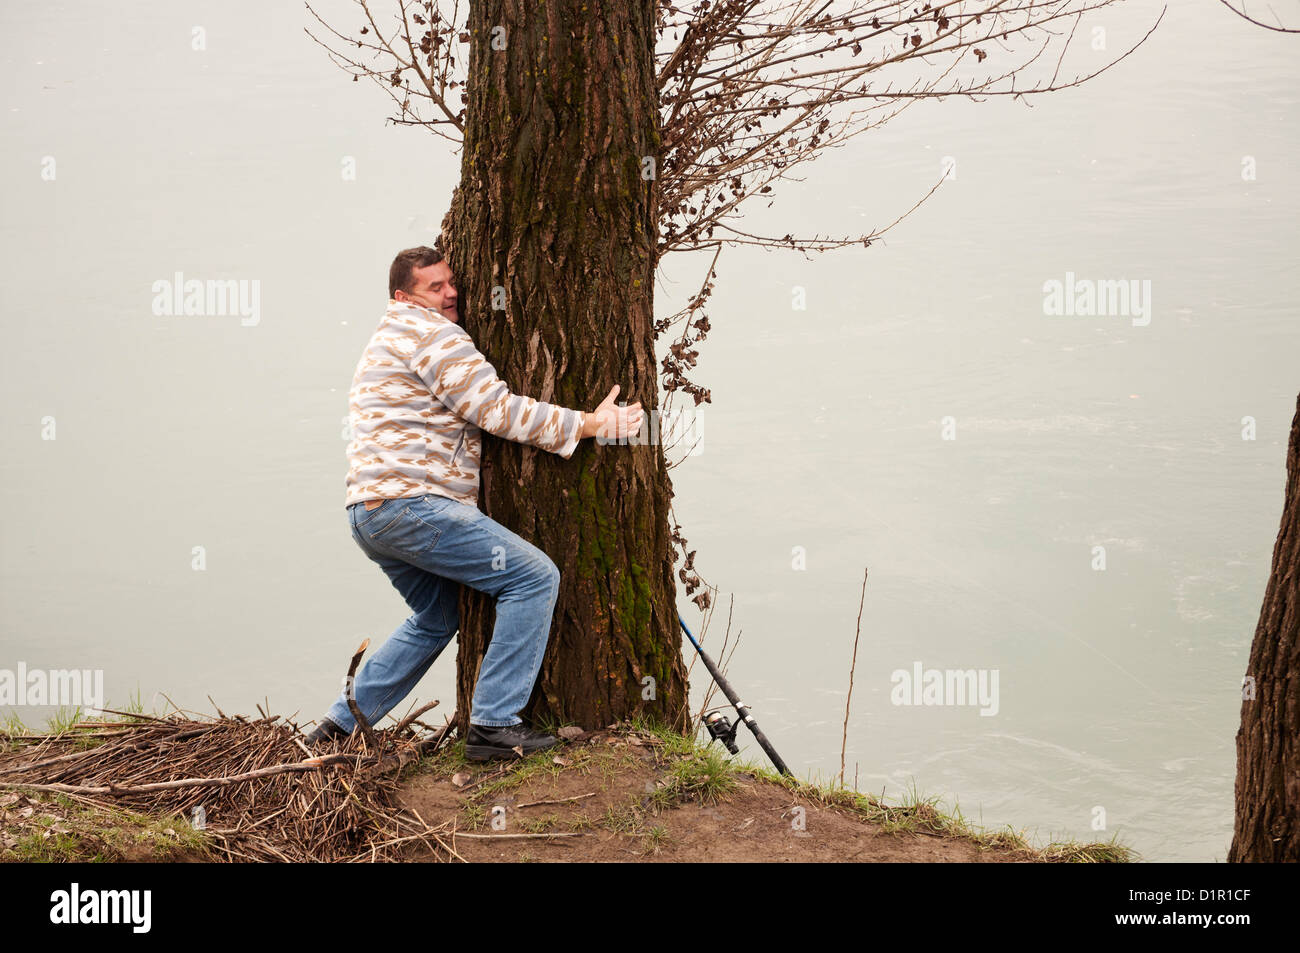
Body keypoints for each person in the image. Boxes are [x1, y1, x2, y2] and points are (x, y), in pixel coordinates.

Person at [304, 246, 643, 760]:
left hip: (369, 514)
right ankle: (493, 726)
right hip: (413, 504)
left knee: (438, 616)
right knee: (533, 577)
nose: (451, 293)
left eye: (450, 282)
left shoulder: (385, 340)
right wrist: (593, 424)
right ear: (404, 297)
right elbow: (497, 411)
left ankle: (337, 729)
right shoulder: (432, 333)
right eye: (434, 287)